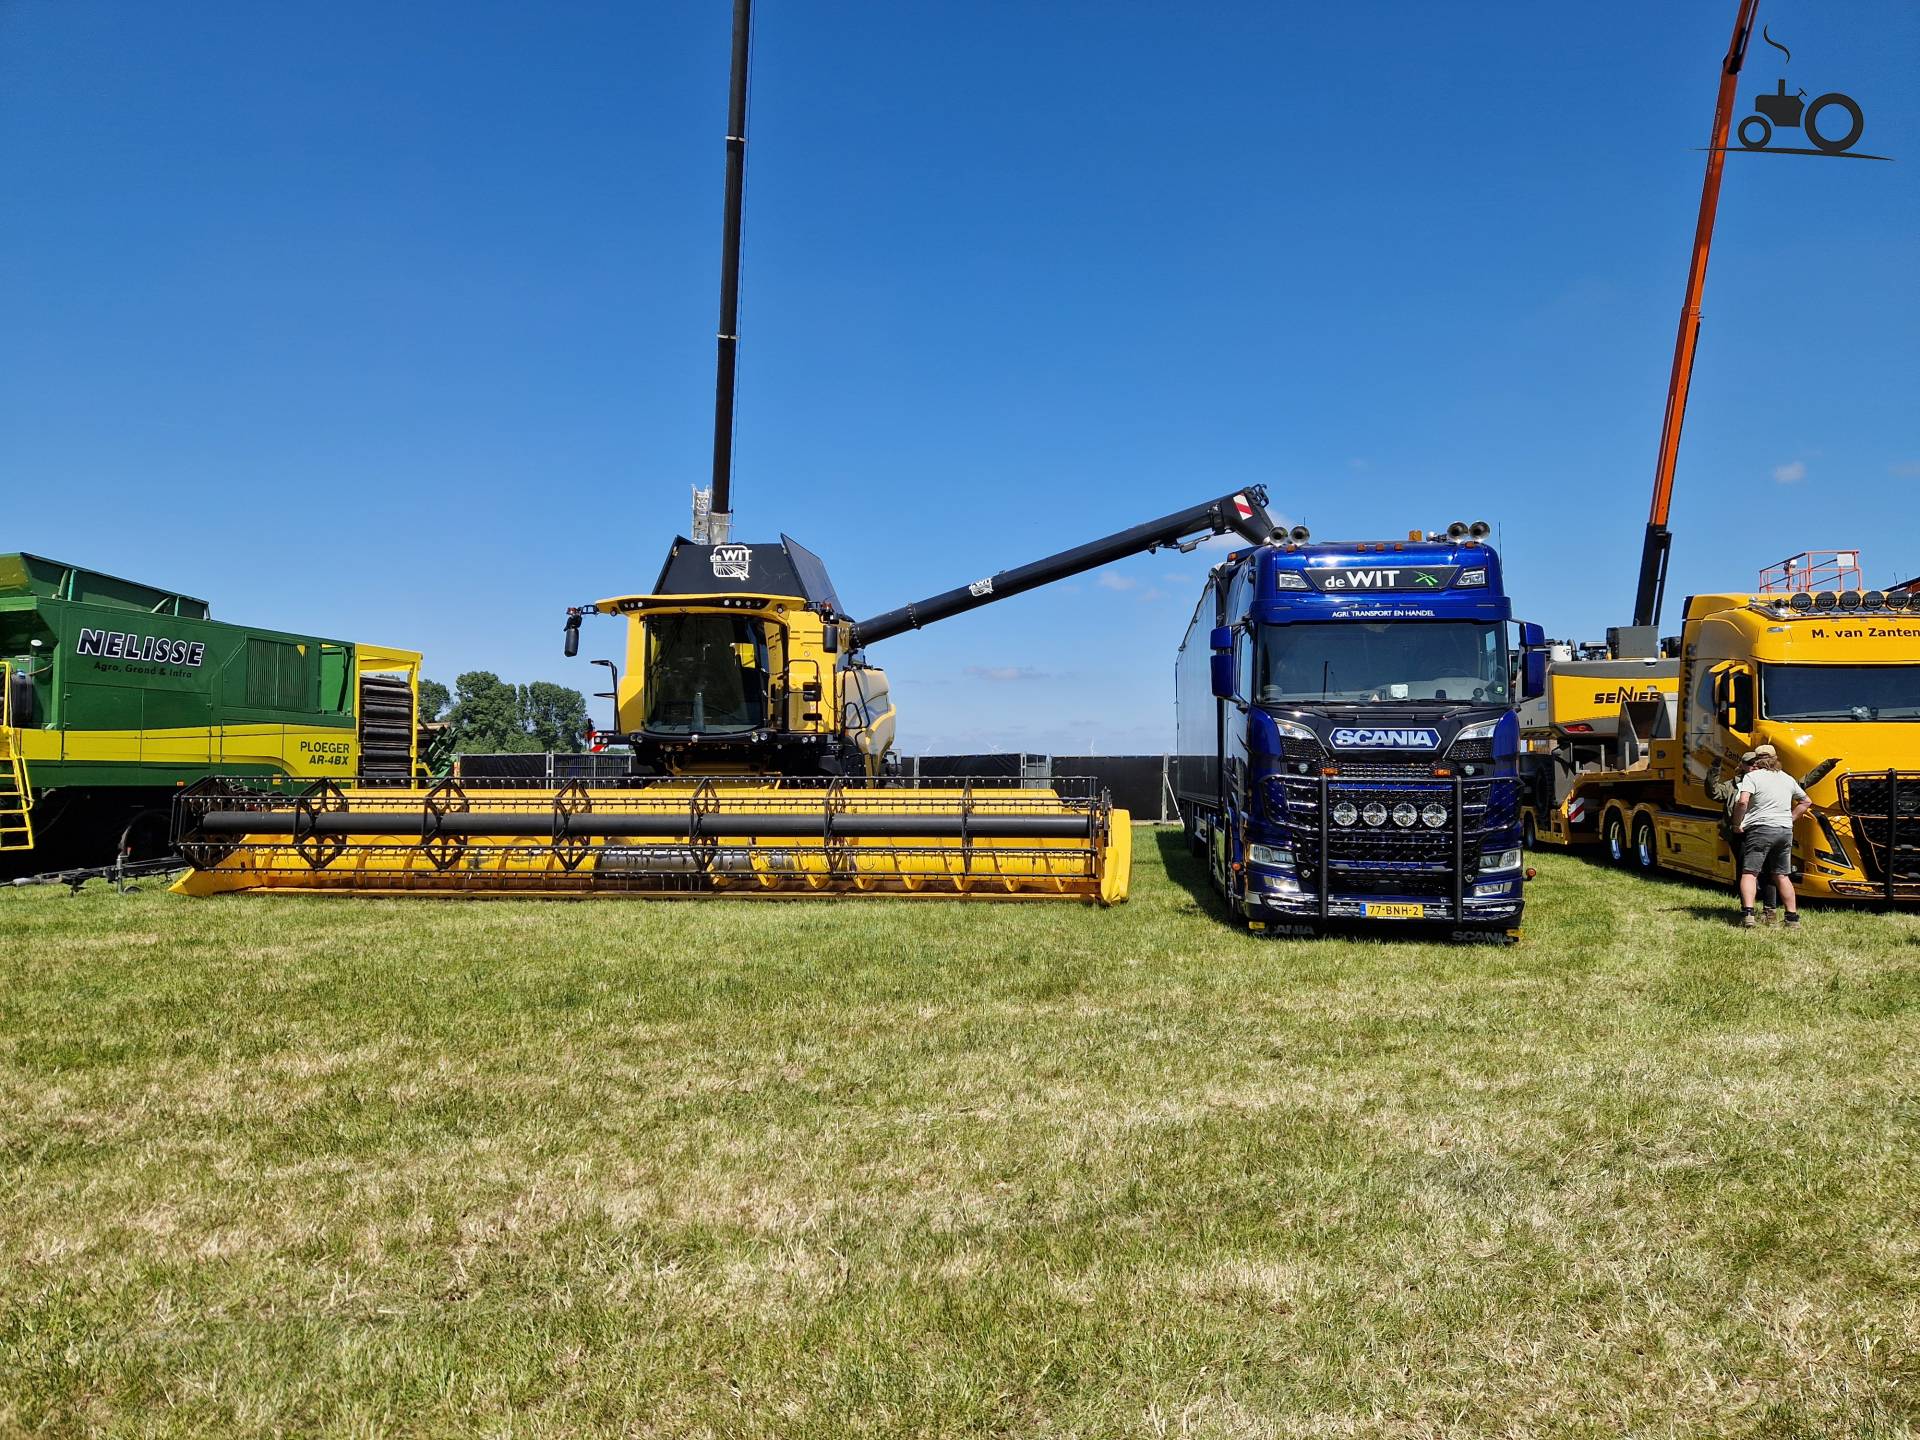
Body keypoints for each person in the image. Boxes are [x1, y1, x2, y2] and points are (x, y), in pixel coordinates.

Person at [1731, 745, 1812, 928]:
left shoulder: (1752, 777)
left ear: (1757, 760)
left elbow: (1743, 802)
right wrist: (1789, 818)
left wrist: (1737, 824)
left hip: (1760, 829)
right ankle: (1792, 918)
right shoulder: (1787, 778)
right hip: (1784, 830)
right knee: (1782, 875)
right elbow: (1806, 801)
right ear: (1775, 758)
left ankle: (1749, 915)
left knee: (1750, 873)